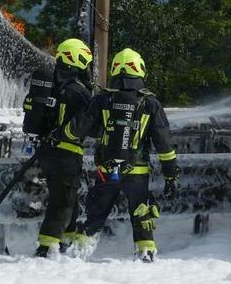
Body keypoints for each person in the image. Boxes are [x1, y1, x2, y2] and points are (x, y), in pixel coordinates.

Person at [70, 48, 179, 262]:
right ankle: (145, 253)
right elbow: (164, 145)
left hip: (106, 170)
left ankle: (77, 255)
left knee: (96, 214)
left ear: (114, 69)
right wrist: (171, 176)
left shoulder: (102, 100)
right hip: (137, 173)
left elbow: (81, 129)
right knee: (141, 213)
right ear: (140, 70)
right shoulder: (151, 103)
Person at [32, 38, 95, 257]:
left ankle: (68, 241)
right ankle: (46, 248)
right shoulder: (79, 92)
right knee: (63, 200)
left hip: (45, 152)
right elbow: (93, 125)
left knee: (69, 196)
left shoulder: (51, 86)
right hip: (67, 153)